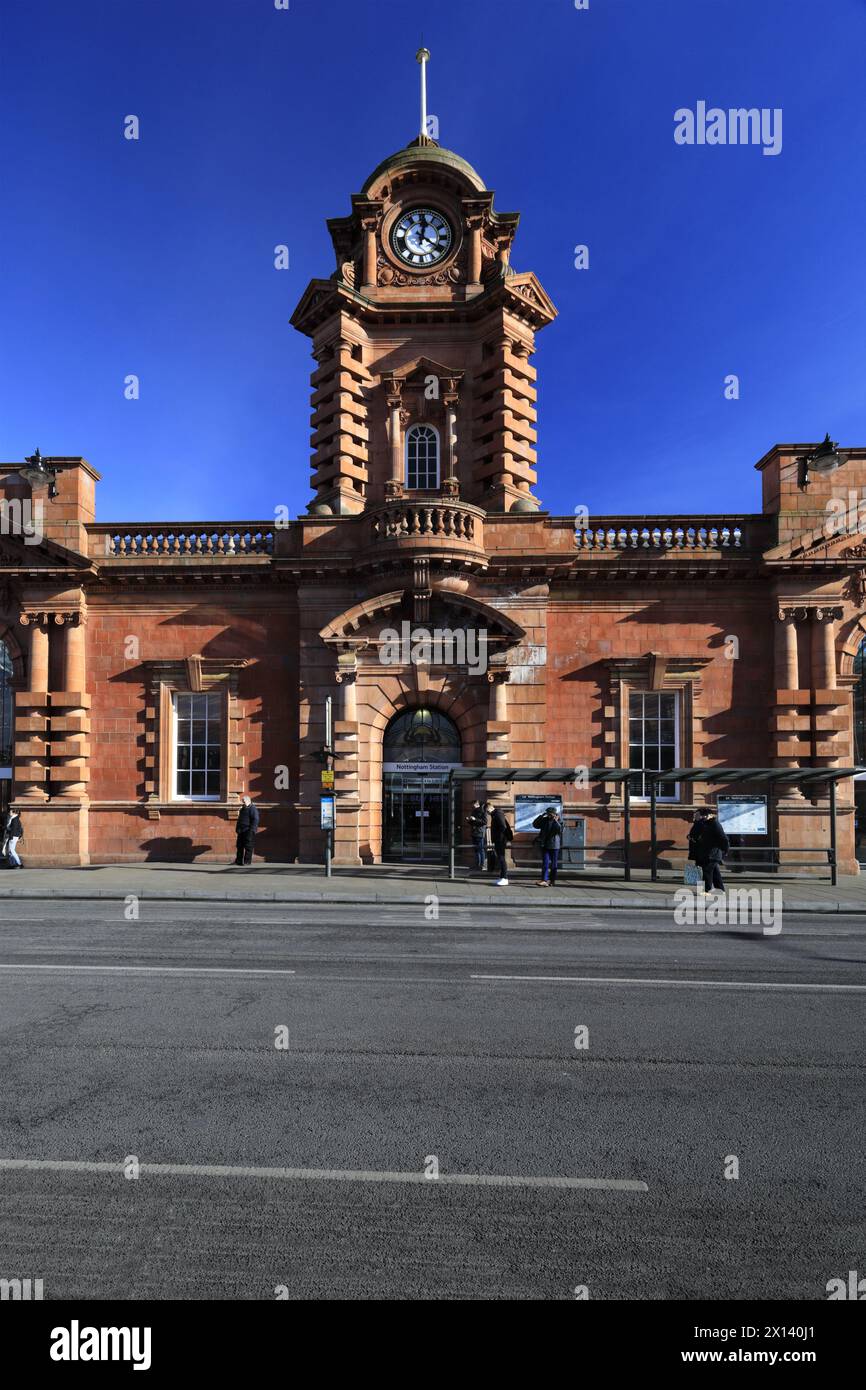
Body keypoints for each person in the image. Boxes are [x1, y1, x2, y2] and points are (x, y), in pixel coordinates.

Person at [690, 806, 728, 894]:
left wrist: (725, 850)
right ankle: (720, 890)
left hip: (712, 853)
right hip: (707, 853)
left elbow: (724, 839)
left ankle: (707, 891)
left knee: (707, 872)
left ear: (708, 815)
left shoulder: (715, 824)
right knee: (715, 873)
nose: (697, 816)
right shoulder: (706, 823)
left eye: (699, 815)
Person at [532, 806, 563, 886]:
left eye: (550, 814)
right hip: (545, 844)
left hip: (554, 845)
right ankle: (544, 880)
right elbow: (535, 825)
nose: (549, 816)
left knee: (554, 864)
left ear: (554, 814)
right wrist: (541, 816)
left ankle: (552, 881)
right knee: (545, 863)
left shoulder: (559, 821)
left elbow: (560, 830)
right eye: (548, 814)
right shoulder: (544, 820)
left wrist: (556, 821)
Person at [488, 803, 513, 886]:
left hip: (500, 840)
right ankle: (502, 877)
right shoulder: (495, 814)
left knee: (502, 858)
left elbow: (503, 826)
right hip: (499, 840)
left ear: (490, 808)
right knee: (500, 858)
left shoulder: (497, 814)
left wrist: (498, 837)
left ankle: (505, 878)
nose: (487, 813)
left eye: (487, 810)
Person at [233, 794, 259, 866]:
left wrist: (252, 830)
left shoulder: (253, 809)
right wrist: (237, 828)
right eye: (242, 801)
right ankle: (238, 861)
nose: (243, 803)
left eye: (244, 801)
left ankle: (247, 862)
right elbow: (239, 820)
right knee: (239, 846)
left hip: (248, 830)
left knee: (248, 847)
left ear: (248, 801)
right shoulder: (242, 809)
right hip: (241, 831)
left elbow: (255, 820)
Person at [467, 800, 487, 871]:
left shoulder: (482, 811)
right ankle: (477, 865)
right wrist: (469, 820)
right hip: (474, 832)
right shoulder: (474, 811)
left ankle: (483, 865)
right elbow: (473, 823)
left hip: (479, 832)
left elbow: (485, 822)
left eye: (473, 805)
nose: (472, 806)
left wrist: (475, 819)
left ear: (477, 804)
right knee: (476, 850)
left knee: (480, 849)